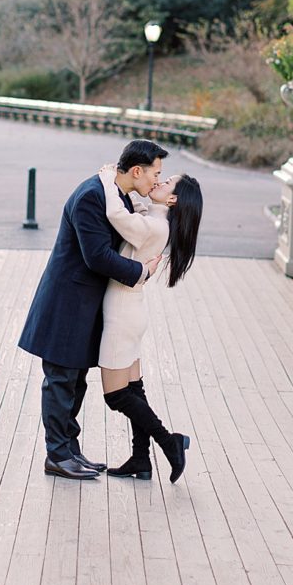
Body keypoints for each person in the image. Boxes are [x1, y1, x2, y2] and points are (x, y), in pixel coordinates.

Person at [18, 139, 167, 480]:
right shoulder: (91, 196)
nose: (157, 181)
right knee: (60, 381)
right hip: (66, 302)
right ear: (136, 170)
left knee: (76, 382)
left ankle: (70, 450)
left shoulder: (117, 194)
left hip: (86, 305)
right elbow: (97, 256)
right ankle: (57, 455)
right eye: (156, 174)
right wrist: (140, 272)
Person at [95, 163, 202, 483]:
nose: (160, 180)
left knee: (116, 396)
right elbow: (138, 208)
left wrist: (106, 179)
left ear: (172, 201)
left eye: (167, 182)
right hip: (131, 311)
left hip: (120, 315)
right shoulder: (156, 221)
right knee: (134, 389)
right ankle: (140, 459)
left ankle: (170, 442)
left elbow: (116, 215)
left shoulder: (155, 227)